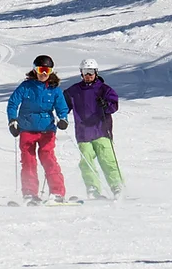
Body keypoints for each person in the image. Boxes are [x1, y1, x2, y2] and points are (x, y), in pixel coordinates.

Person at [7, 54, 70, 204]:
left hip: (46, 129)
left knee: (47, 158)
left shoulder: (55, 89)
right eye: (41, 69)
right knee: (28, 160)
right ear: (35, 70)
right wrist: (12, 121)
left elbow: (62, 107)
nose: (43, 74)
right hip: (27, 128)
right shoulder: (26, 87)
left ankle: (57, 192)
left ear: (51, 72)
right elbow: (13, 103)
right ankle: (29, 193)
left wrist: (63, 119)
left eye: (47, 71)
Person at [63, 57, 123, 201]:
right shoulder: (75, 90)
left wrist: (106, 105)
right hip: (83, 133)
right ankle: (92, 187)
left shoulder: (104, 89)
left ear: (96, 72)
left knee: (108, 160)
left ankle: (116, 186)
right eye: (85, 72)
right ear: (81, 73)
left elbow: (114, 105)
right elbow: (63, 103)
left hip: (101, 131)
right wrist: (59, 114)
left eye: (91, 72)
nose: (88, 75)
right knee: (86, 161)